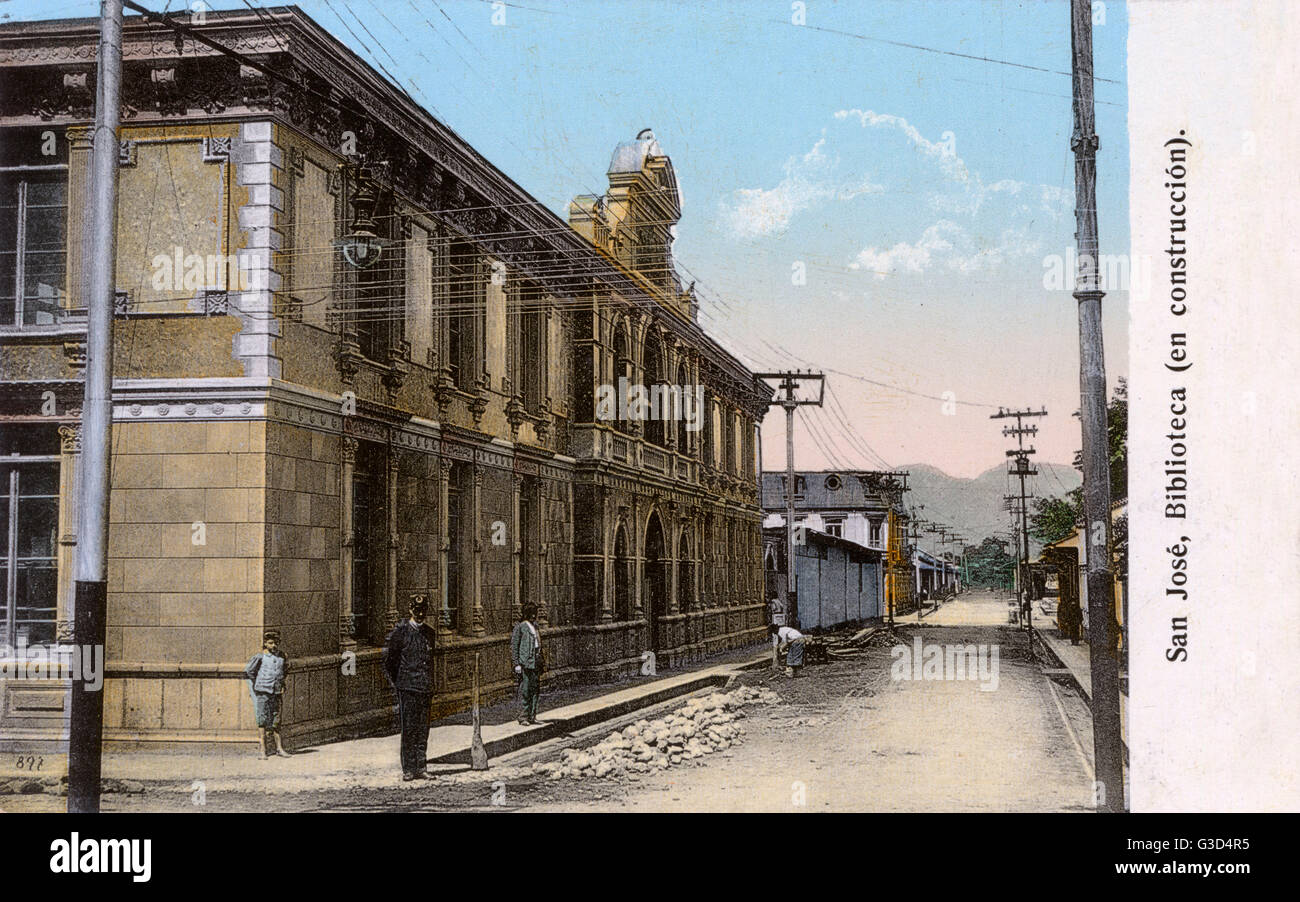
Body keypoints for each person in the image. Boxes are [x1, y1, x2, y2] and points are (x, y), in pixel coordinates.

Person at [382, 595, 437, 781]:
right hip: (407, 688)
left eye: (423, 612)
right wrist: (400, 683)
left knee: (423, 729)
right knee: (409, 729)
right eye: (417, 611)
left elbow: (430, 662)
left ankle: (421, 766)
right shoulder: (401, 634)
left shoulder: (430, 633)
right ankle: (408, 768)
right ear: (410, 610)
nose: (420, 615)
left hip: (424, 688)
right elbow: (390, 662)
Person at [245, 630, 291, 759]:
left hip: (276, 691)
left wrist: (280, 683)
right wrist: (258, 683)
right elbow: (250, 671)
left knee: (276, 719)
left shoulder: (282, 656)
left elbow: (286, 670)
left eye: (276, 643)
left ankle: (279, 748)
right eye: (270, 643)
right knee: (262, 719)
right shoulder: (260, 656)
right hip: (263, 692)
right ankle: (263, 750)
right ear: (265, 643)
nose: (274, 646)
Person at [510, 603, 543, 725]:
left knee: (535, 690)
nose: (534, 616)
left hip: (535, 661)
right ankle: (523, 717)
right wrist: (516, 664)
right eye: (531, 613)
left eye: (535, 613)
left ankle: (532, 716)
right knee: (525, 689)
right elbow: (514, 647)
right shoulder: (520, 627)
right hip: (525, 662)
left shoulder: (535, 626)